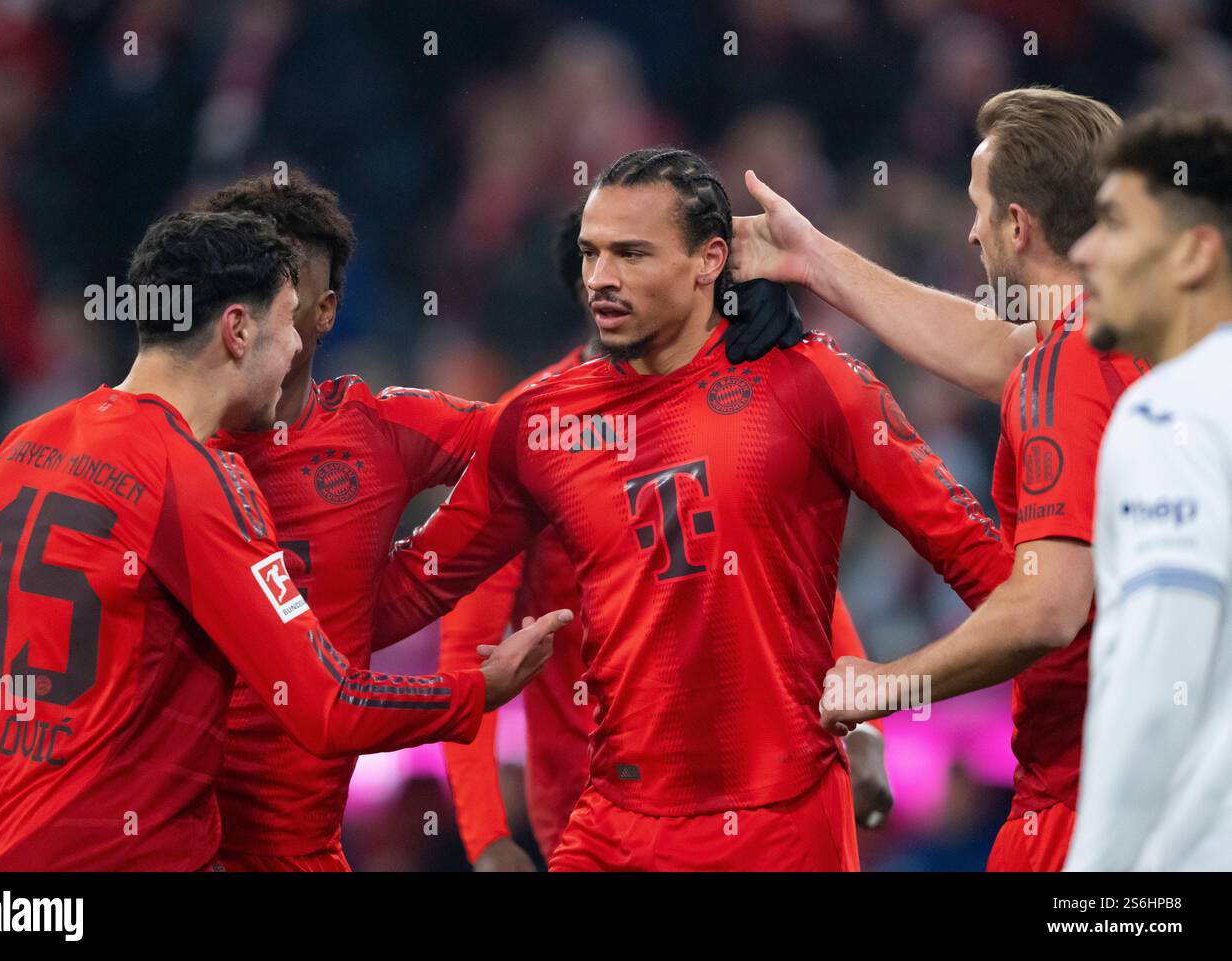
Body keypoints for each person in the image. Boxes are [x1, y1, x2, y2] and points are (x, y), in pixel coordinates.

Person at [373, 147, 1010, 871]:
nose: (600, 280)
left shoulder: (811, 386)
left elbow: (999, 586)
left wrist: (890, 689)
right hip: (606, 821)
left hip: (783, 823)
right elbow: (416, 591)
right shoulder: (537, 425)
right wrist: (265, 591)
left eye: (631, 254)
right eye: (590, 255)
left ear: (710, 260)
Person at [194, 172, 808, 871]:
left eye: (285, 289)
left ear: (326, 308)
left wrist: (728, 344)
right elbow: (329, 703)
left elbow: (564, 440)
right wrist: (477, 716)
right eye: (242, 286)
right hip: (171, 839)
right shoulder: (158, 457)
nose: (258, 311)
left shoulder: (379, 432)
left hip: (304, 851)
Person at [0, 210, 567, 870]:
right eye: (285, 323)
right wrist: (478, 687)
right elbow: (327, 704)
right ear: (238, 329)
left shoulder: (22, 446)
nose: (296, 349)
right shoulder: (194, 479)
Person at [732, 87, 1145, 871]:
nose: (970, 230)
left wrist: (890, 684)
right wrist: (814, 258)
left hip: (1092, 806)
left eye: (980, 209)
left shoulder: (1069, 366)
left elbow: (1049, 607)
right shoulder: (1148, 339)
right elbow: (1001, 351)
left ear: (1018, 226)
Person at [440, 211, 892, 871]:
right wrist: (486, 837)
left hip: (758, 792)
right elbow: (465, 648)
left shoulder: (737, 400)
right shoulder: (526, 437)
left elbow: (790, 579)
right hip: (597, 808)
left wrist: (867, 720)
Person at [1064, 112, 1232, 870]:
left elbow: (1159, 674)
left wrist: (1094, 893)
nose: (1083, 252)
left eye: (1114, 224)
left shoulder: (1171, 408)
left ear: (1196, 252)